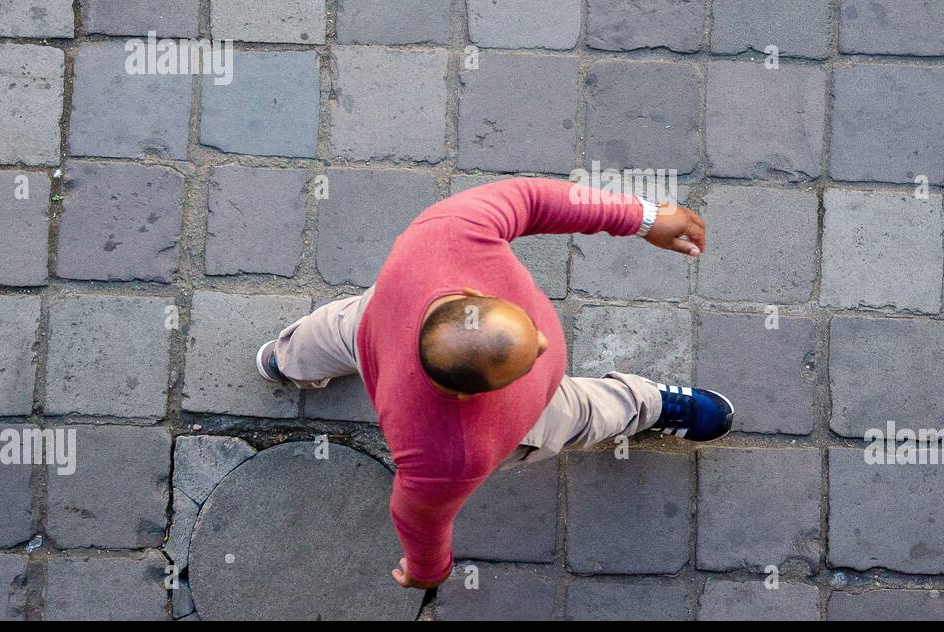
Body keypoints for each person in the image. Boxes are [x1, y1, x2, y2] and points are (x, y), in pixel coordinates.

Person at [253, 177, 734, 590]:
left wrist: (644, 217)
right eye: (526, 363)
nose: (545, 343)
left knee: (336, 329)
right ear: (464, 396)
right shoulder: (451, 451)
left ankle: (285, 360)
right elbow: (419, 514)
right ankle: (645, 405)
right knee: (582, 412)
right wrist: (427, 568)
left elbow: (531, 198)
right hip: (534, 415)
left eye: (530, 333)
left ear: (467, 296)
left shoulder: (449, 233)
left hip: (373, 323)